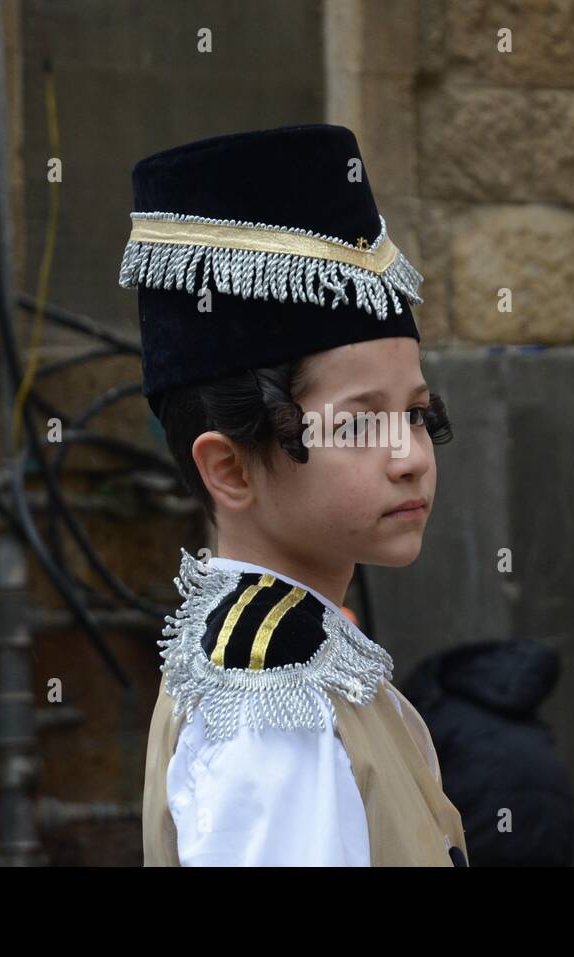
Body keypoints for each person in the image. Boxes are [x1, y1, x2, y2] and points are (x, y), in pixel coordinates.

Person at [125, 123, 468, 866]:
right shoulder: (269, 698)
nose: (409, 456)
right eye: (359, 422)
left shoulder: (299, 650)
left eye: (415, 412)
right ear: (231, 470)